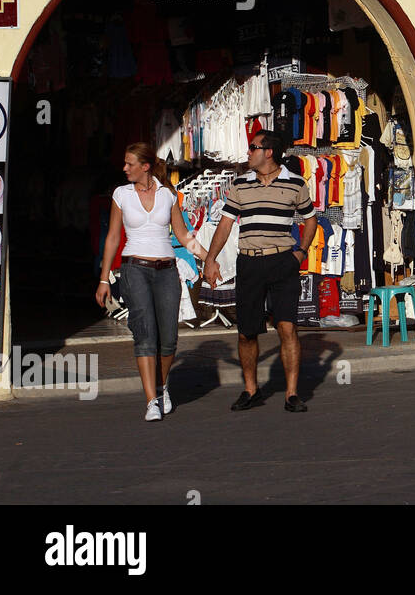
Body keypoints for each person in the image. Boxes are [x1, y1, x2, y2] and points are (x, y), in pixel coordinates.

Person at [204, 131, 317, 412]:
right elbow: (226, 224)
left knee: (287, 327)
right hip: (250, 263)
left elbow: (311, 219)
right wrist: (210, 259)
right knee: (246, 332)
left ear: (268, 152)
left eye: (252, 147)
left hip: (282, 262)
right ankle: (251, 390)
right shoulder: (241, 184)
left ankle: (291, 393)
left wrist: (300, 252)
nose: (248, 152)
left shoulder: (295, 183)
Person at [96, 142, 208, 422]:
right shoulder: (121, 194)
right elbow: (112, 237)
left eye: (129, 164)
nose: (124, 168)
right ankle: (151, 401)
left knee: (169, 337)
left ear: (145, 166)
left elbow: (183, 236)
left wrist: (210, 258)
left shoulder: (168, 194)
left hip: (167, 270)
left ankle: (162, 386)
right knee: (145, 333)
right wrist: (103, 278)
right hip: (134, 268)